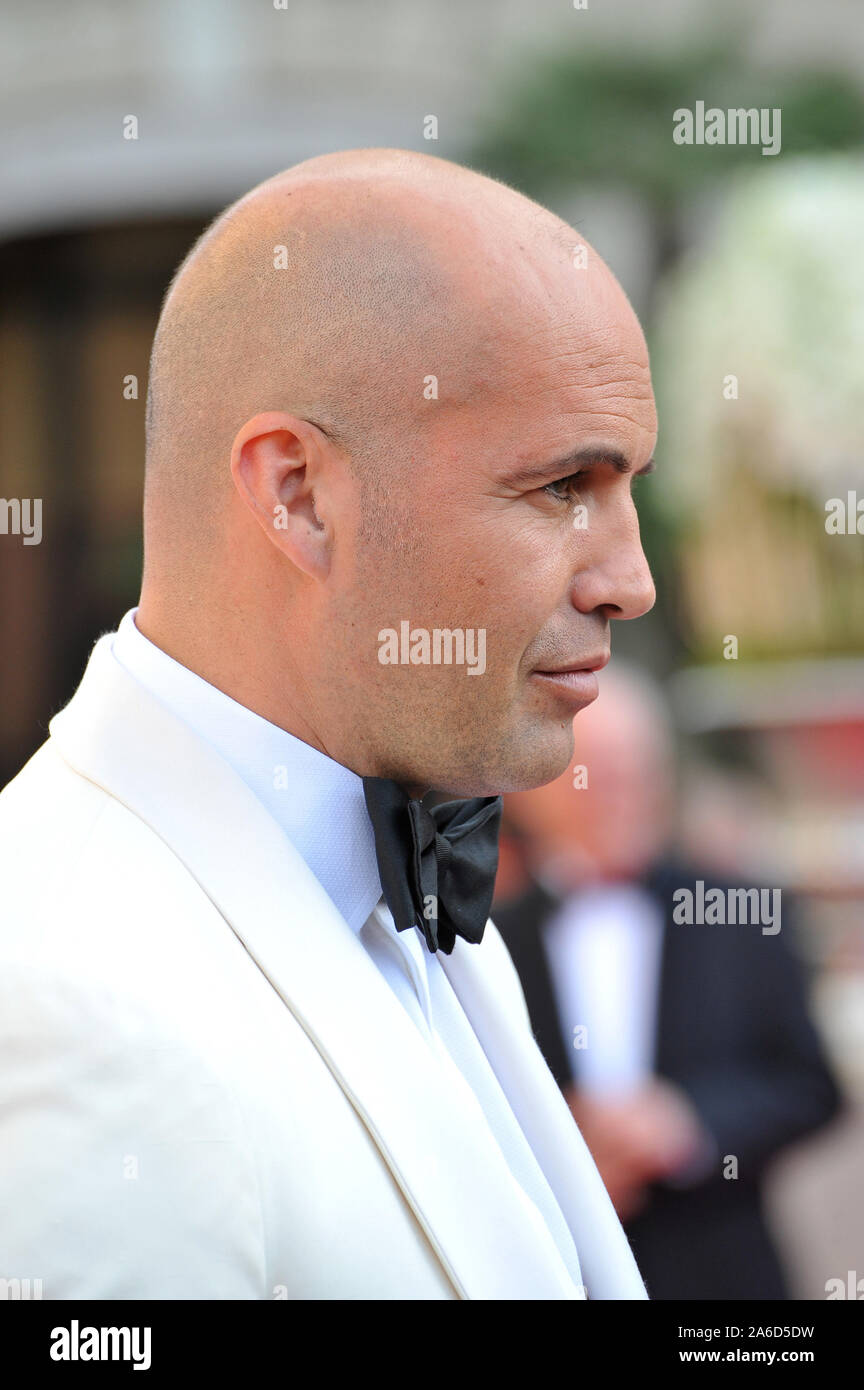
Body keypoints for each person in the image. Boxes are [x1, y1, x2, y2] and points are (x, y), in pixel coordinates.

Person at [0, 148, 657, 1300]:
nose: (630, 581)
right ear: (296, 492)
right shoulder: (73, 1008)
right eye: (564, 486)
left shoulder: (408, 873)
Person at [493, 662, 845, 1299]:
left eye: (637, 769)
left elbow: (811, 1086)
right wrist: (560, 1160)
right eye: (595, 772)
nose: (621, 793)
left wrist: (690, 1124)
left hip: (727, 1286)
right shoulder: (483, 944)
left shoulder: (745, 912)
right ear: (531, 787)